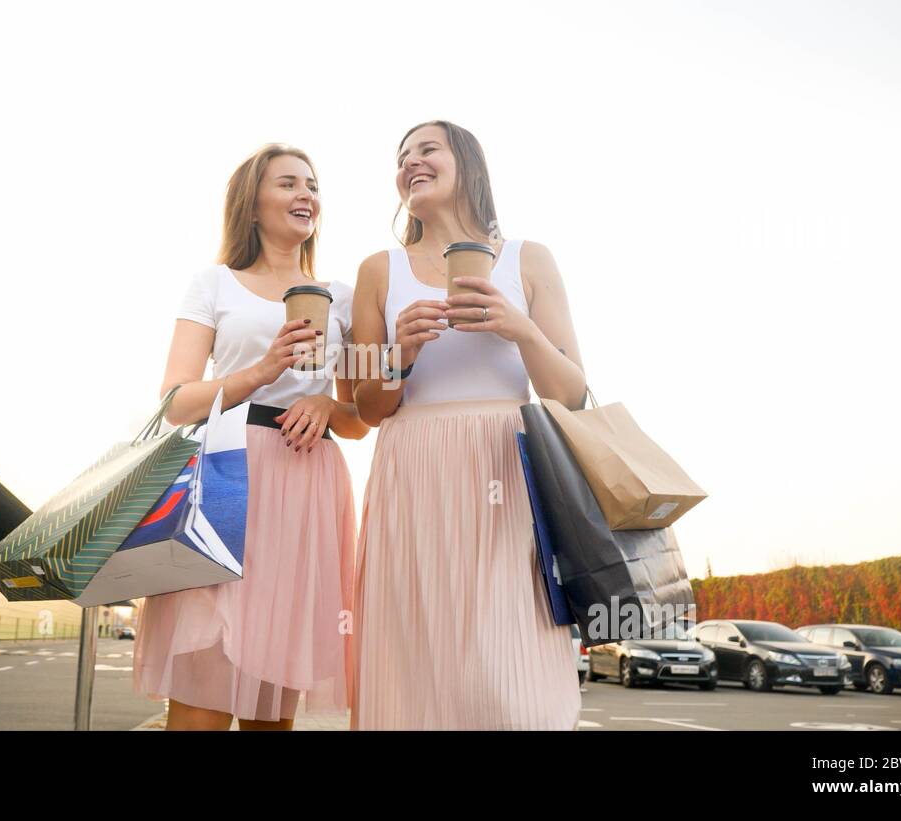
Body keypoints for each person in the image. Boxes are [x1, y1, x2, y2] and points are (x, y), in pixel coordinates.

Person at [350, 121, 587, 729]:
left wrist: (519, 327)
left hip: (508, 472)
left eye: (427, 149)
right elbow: (367, 408)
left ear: (467, 165)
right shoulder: (379, 270)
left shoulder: (529, 259)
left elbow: (572, 392)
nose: (411, 163)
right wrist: (399, 354)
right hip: (412, 470)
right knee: (416, 661)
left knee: (510, 675)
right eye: (402, 157)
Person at [133, 143, 369, 730]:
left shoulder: (342, 297)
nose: (306, 195)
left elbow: (362, 418)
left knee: (272, 696)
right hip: (225, 483)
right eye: (289, 183)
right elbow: (175, 401)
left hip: (305, 485)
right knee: (203, 687)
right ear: (253, 205)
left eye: (311, 185)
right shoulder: (215, 283)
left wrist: (326, 402)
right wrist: (261, 372)